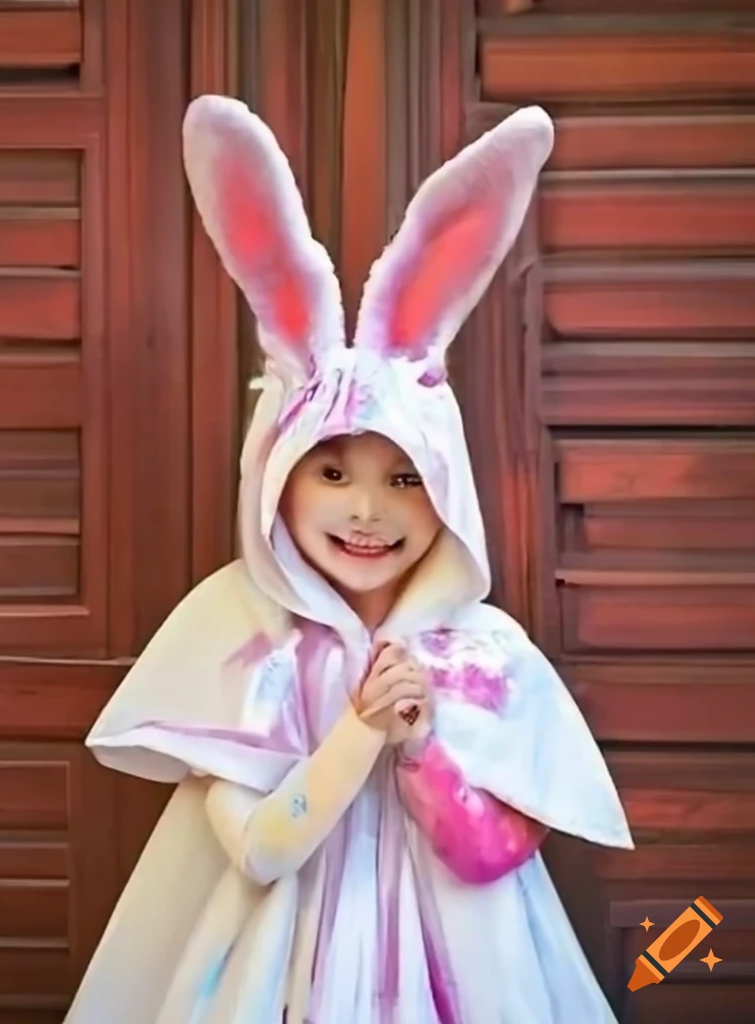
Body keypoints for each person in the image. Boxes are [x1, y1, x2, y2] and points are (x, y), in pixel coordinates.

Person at [64, 94, 633, 1023]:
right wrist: (363, 730)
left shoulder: (482, 653)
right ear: (276, 476)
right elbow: (260, 851)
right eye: (332, 473)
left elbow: (492, 854)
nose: (367, 511)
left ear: (446, 488)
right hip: (274, 979)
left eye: (405, 479)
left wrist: (423, 749)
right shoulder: (238, 634)